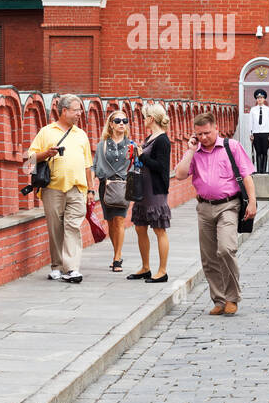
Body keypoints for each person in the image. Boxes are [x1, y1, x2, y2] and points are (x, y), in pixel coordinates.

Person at [173, 111, 257, 316]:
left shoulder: (231, 147)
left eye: (207, 133)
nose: (203, 137)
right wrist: (191, 150)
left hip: (228, 205)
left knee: (226, 248)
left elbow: (246, 175)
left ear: (216, 128)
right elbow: (180, 174)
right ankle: (219, 300)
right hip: (204, 207)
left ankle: (233, 297)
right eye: (199, 134)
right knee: (209, 257)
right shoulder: (196, 151)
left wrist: (253, 202)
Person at [27, 94, 95, 284]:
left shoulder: (81, 134)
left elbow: (88, 165)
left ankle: (72, 268)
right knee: (55, 228)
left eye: (80, 110)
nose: (79, 114)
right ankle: (57, 266)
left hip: (77, 188)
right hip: (53, 189)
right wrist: (46, 154)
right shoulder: (46, 132)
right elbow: (29, 160)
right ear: (64, 111)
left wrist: (91, 190)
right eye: (76, 110)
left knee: (72, 226)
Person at [126, 104, 173, 282]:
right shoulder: (150, 137)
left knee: (159, 229)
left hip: (155, 190)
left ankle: (162, 271)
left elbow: (160, 167)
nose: (143, 120)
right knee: (140, 227)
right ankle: (145, 267)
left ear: (151, 119)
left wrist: (141, 155)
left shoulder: (162, 140)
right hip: (142, 189)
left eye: (145, 117)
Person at [93, 108, 136, 273]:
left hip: (125, 186)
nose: (121, 124)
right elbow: (96, 166)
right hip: (106, 186)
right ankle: (116, 252)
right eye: (117, 121)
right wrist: (92, 186)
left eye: (124, 121)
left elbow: (137, 166)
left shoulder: (131, 145)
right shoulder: (102, 145)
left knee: (119, 220)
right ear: (110, 124)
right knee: (110, 222)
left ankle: (117, 257)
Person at [248, 89, 269, 175]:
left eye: (261, 98)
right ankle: (258, 170)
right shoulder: (253, 110)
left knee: (265, 152)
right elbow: (251, 122)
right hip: (256, 133)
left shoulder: (268, 110)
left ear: (264, 99)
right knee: (258, 152)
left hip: (265, 133)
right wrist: (251, 133)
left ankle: (264, 170)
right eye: (258, 98)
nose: (259, 99)